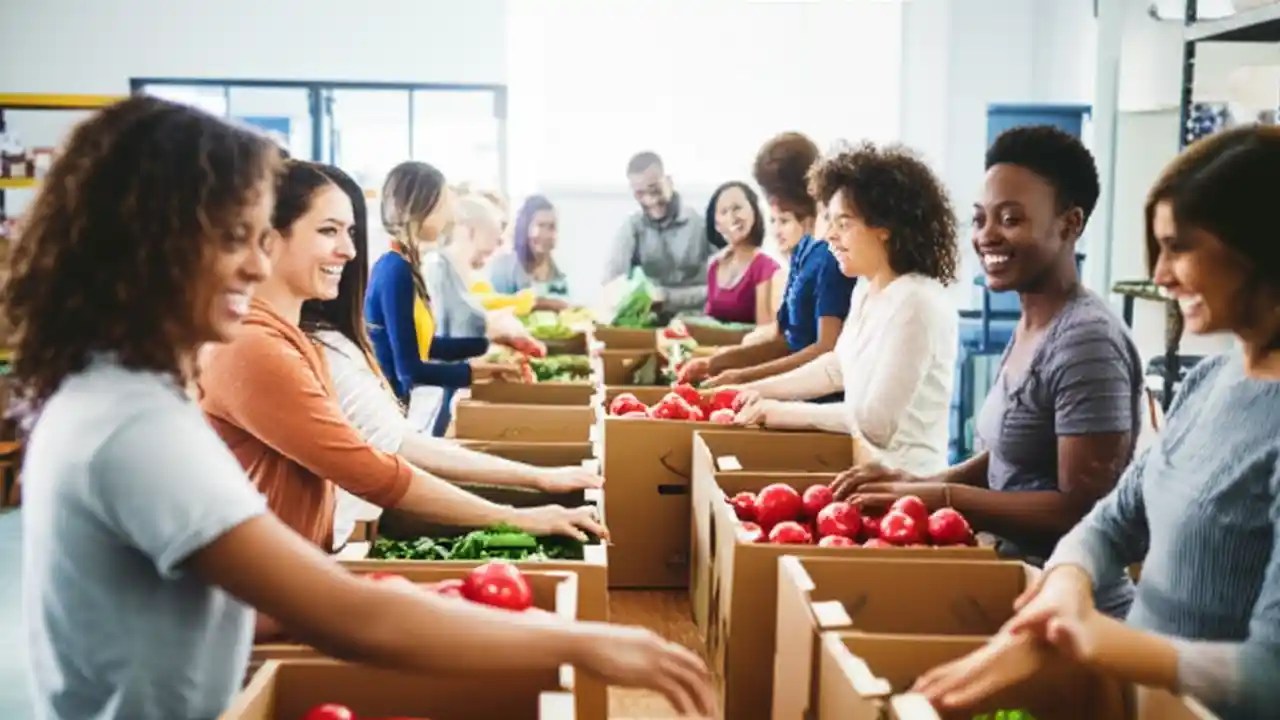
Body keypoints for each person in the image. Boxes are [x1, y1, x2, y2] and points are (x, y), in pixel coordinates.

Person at [8, 96, 715, 720]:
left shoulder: (111, 392)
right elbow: (349, 612)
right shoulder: (136, 425)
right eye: (233, 239)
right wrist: (582, 638)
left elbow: (204, 606)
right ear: (151, 242)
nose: (255, 265)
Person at [912, 125, 1280, 720]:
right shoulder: (1213, 379)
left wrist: (1093, 641)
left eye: (1179, 247)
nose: (1159, 274)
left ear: (1262, 246)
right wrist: (1065, 586)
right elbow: (1113, 519)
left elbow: (1271, 678)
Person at [198, 159, 600, 554]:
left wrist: (537, 484)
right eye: (328, 231)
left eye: (351, 232)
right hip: (264, 591)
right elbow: (373, 468)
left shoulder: (295, 339)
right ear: (269, 239)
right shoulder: (253, 348)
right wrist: (522, 514)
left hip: (294, 569)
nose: (350, 251)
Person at [830, 126, 1142, 617]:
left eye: (1011, 219)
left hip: (1074, 613)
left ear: (1070, 224)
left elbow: (1082, 509)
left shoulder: (1087, 341)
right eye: (980, 219)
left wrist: (943, 495)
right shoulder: (1032, 322)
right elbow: (1007, 459)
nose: (987, 236)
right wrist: (914, 482)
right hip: (1016, 589)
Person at [732, 142, 959, 476]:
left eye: (844, 223)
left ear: (885, 228)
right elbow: (836, 368)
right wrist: (753, 389)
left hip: (910, 487)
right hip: (863, 473)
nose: (830, 237)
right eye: (830, 222)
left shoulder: (916, 304)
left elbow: (875, 423)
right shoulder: (867, 287)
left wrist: (783, 411)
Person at [680, 132, 855, 386]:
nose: (771, 203)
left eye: (772, 193)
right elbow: (784, 340)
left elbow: (825, 350)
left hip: (811, 395)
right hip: (783, 386)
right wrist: (716, 363)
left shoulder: (831, 255)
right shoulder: (804, 248)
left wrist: (741, 377)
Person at [363, 161, 519, 431]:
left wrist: (486, 345)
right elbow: (410, 370)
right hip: (384, 421)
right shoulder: (395, 270)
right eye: (444, 204)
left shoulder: (403, 264)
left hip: (398, 414)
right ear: (424, 205)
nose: (450, 217)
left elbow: (426, 346)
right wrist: (477, 373)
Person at [604, 151, 712, 314]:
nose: (650, 200)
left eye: (655, 190)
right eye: (640, 194)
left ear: (669, 181)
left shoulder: (702, 225)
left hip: (698, 322)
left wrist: (667, 297)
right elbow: (612, 286)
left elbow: (723, 290)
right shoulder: (631, 228)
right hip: (648, 324)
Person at [703, 181, 779, 325]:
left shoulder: (765, 267)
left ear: (754, 211)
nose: (732, 217)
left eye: (737, 208)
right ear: (717, 225)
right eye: (724, 212)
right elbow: (708, 321)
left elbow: (764, 332)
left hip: (747, 347)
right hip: (711, 346)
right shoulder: (714, 265)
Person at [487, 194, 571, 307]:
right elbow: (497, 309)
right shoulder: (504, 267)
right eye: (540, 225)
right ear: (525, 227)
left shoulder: (557, 274)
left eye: (551, 227)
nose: (546, 234)